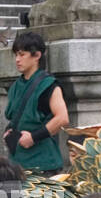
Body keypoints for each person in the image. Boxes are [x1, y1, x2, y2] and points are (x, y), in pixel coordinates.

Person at [4, 31, 69, 174]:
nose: (17, 59)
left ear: (37, 56)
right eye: (16, 55)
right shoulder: (16, 86)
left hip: (44, 164)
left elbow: (62, 118)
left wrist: (34, 137)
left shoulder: (48, 85)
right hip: (17, 163)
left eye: (22, 54)